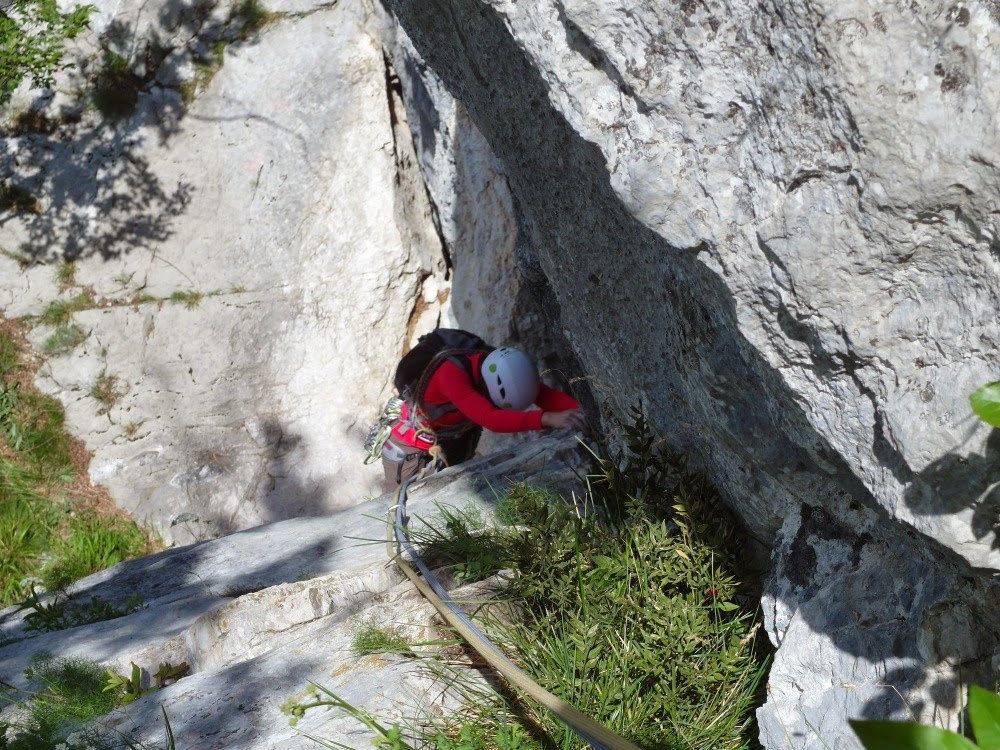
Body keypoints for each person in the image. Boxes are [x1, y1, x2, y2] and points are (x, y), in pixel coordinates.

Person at [381, 339, 585, 491]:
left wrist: (583, 414)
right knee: (398, 502)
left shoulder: (496, 363)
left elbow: (540, 394)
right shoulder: (450, 375)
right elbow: (491, 419)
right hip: (408, 445)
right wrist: (547, 419)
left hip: (452, 439)